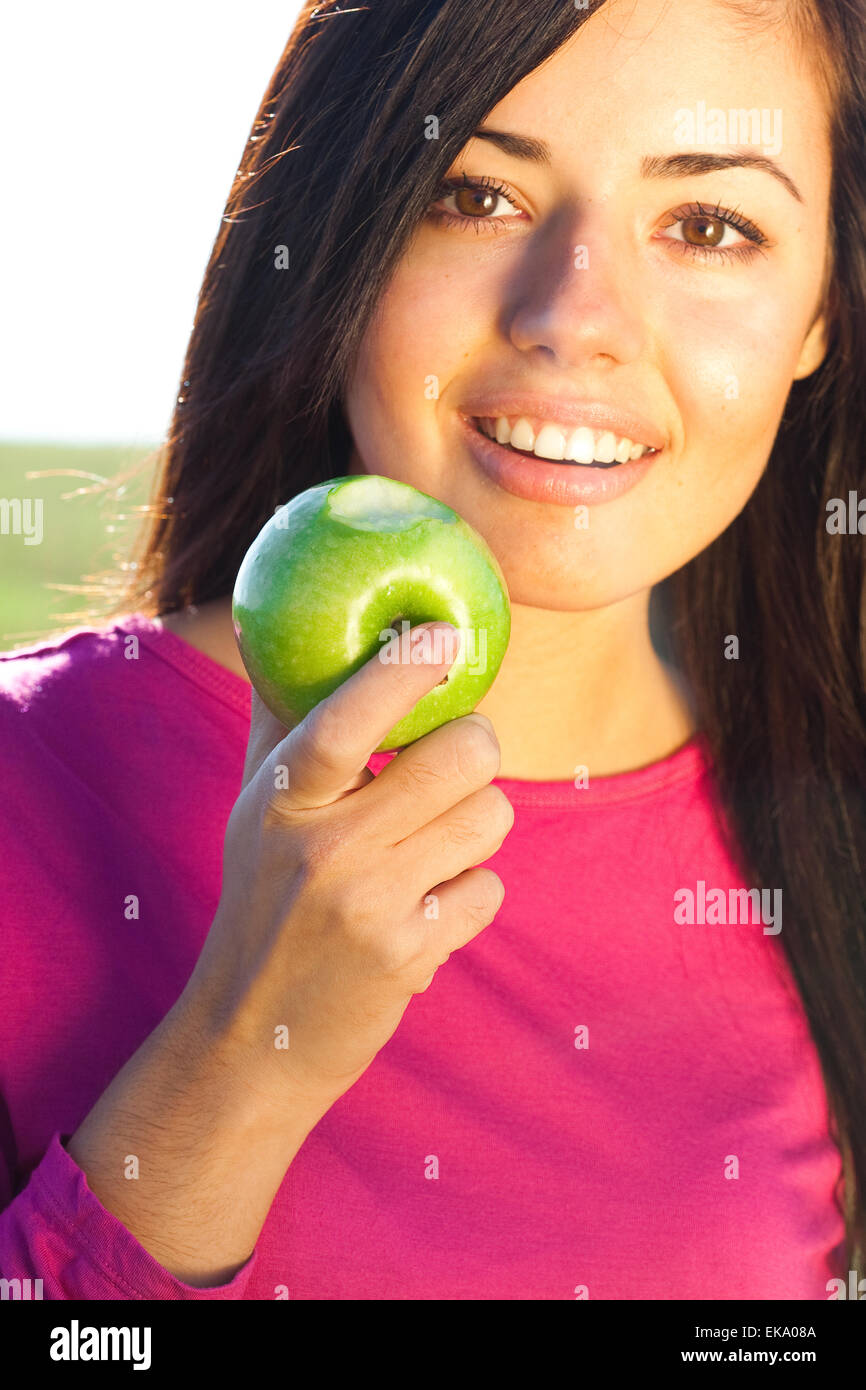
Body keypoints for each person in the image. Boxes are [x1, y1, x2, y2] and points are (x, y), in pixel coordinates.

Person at [1, 0, 863, 1299]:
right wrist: (244, 1051)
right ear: (345, 239)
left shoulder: (829, 835)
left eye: (707, 226)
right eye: (475, 192)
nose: (573, 317)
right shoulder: (28, 786)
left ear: (816, 316)